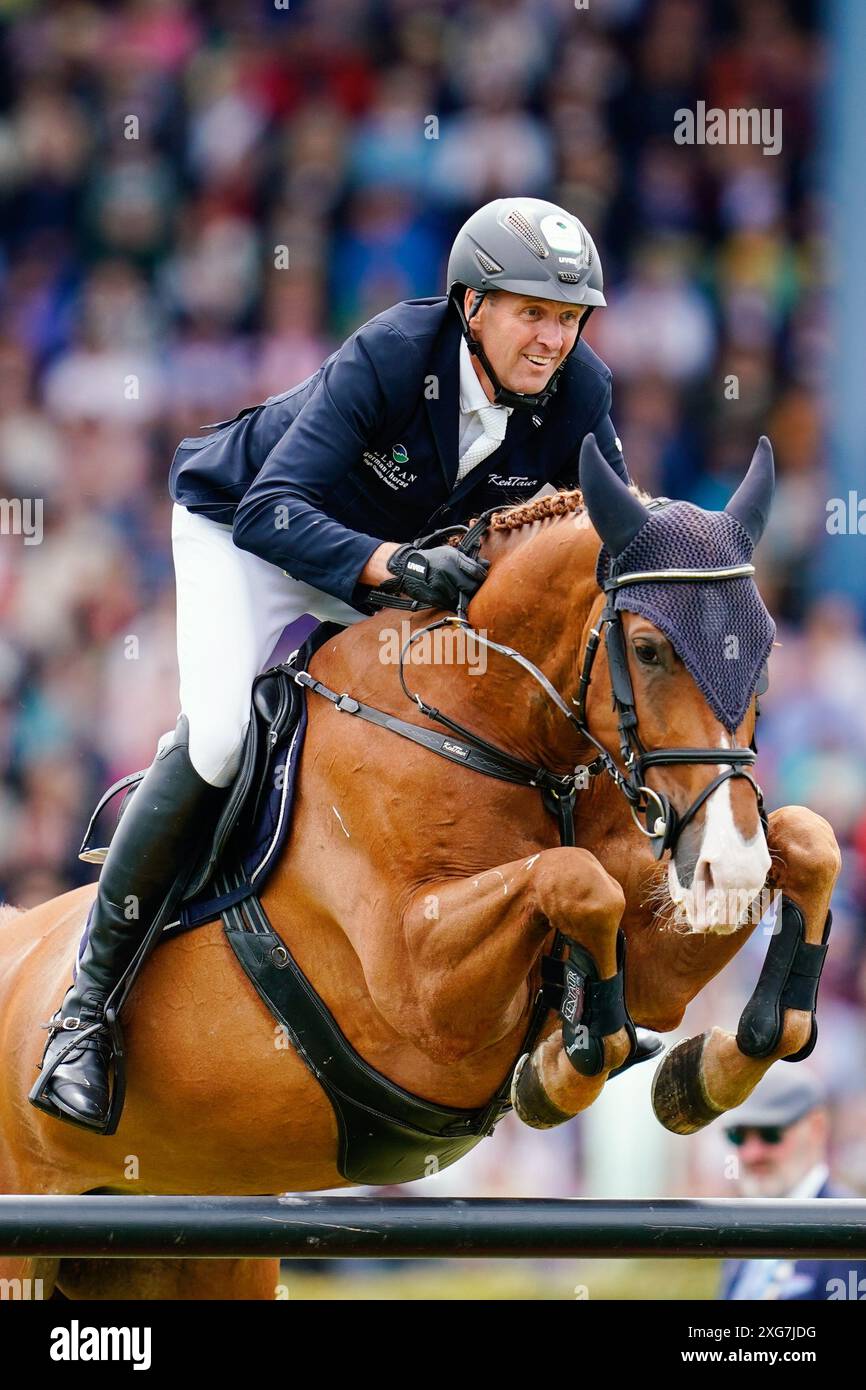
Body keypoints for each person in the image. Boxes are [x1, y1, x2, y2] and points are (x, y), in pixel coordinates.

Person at [30, 195, 629, 1133]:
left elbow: (615, 537)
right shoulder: (394, 353)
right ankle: (86, 1013)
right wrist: (390, 566)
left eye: (567, 319)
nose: (553, 340)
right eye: (532, 313)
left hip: (393, 577)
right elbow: (273, 507)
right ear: (471, 306)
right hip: (251, 536)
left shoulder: (581, 392)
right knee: (225, 738)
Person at [719, 1070, 866, 1300]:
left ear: (817, 1127)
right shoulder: (743, 1230)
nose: (751, 1154)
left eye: (770, 1134)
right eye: (738, 1136)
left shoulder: (854, 1230)